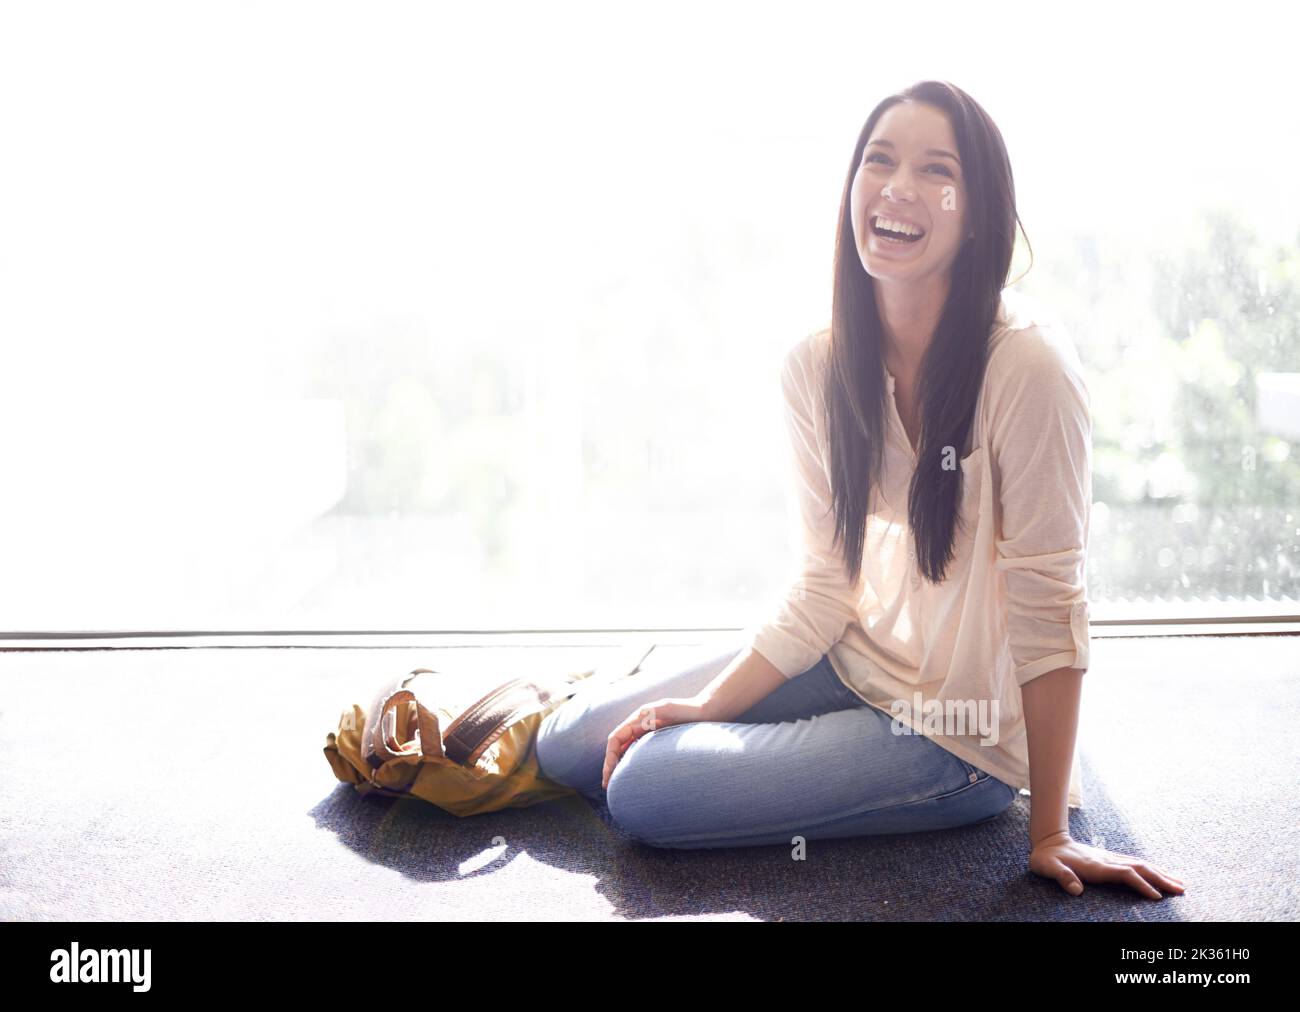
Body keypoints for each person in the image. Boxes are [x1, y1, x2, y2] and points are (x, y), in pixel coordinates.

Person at [535, 80, 1185, 901]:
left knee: (643, 789)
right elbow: (824, 583)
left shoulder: (1028, 366)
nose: (898, 187)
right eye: (879, 161)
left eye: (934, 169)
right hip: (851, 658)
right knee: (564, 744)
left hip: (956, 735)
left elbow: (1051, 604)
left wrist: (1050, 829)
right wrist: (704, 704)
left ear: (977, 211)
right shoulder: (816, 365)